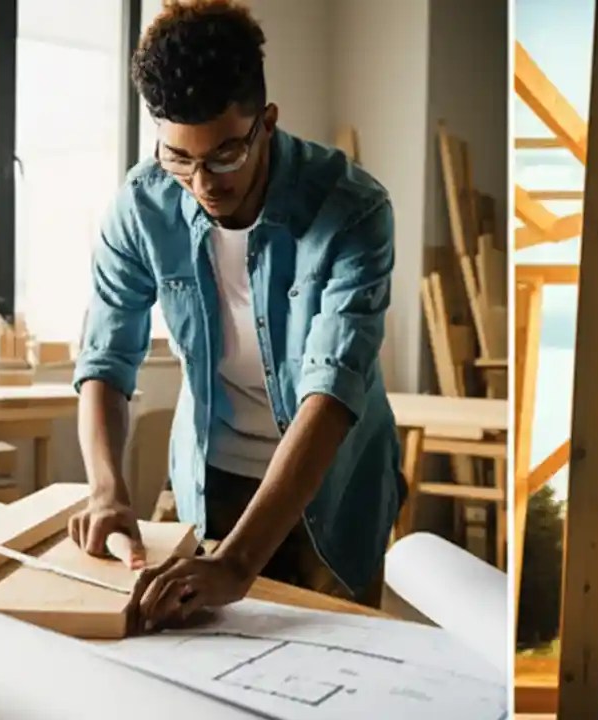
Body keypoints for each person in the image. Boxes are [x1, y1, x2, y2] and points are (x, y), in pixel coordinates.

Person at [68, 0, 402, 630]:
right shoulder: (141, 208)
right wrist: (107, 489)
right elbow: (106, 362)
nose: (202, 182)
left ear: (266, 123)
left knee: (340, 670)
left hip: (330, 487)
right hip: (209, 477)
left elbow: (331, 391)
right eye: (178, 159)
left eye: (224, 156)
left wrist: (239, 562)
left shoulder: (353, 211)